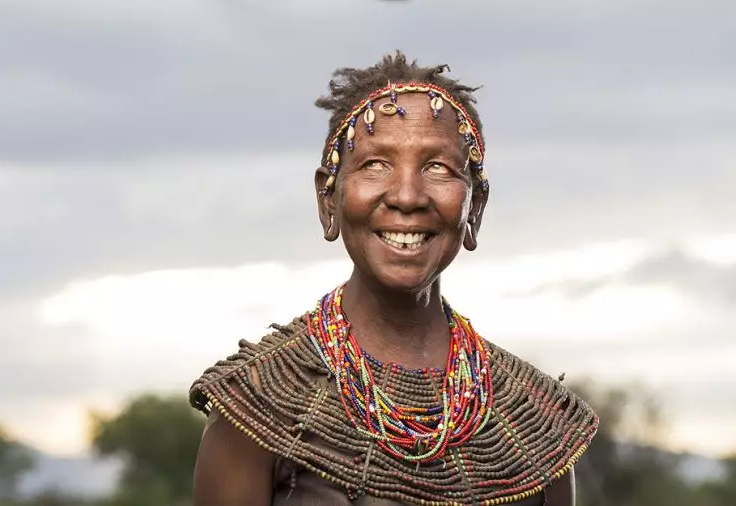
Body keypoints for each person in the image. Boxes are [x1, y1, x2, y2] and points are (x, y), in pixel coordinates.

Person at [190, 51, 599, 506]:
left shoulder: (535, 426)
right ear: (329, 200)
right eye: (375, 164)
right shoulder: (259, 406)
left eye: (438, 168)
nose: (407, 196)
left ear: (475, 209)